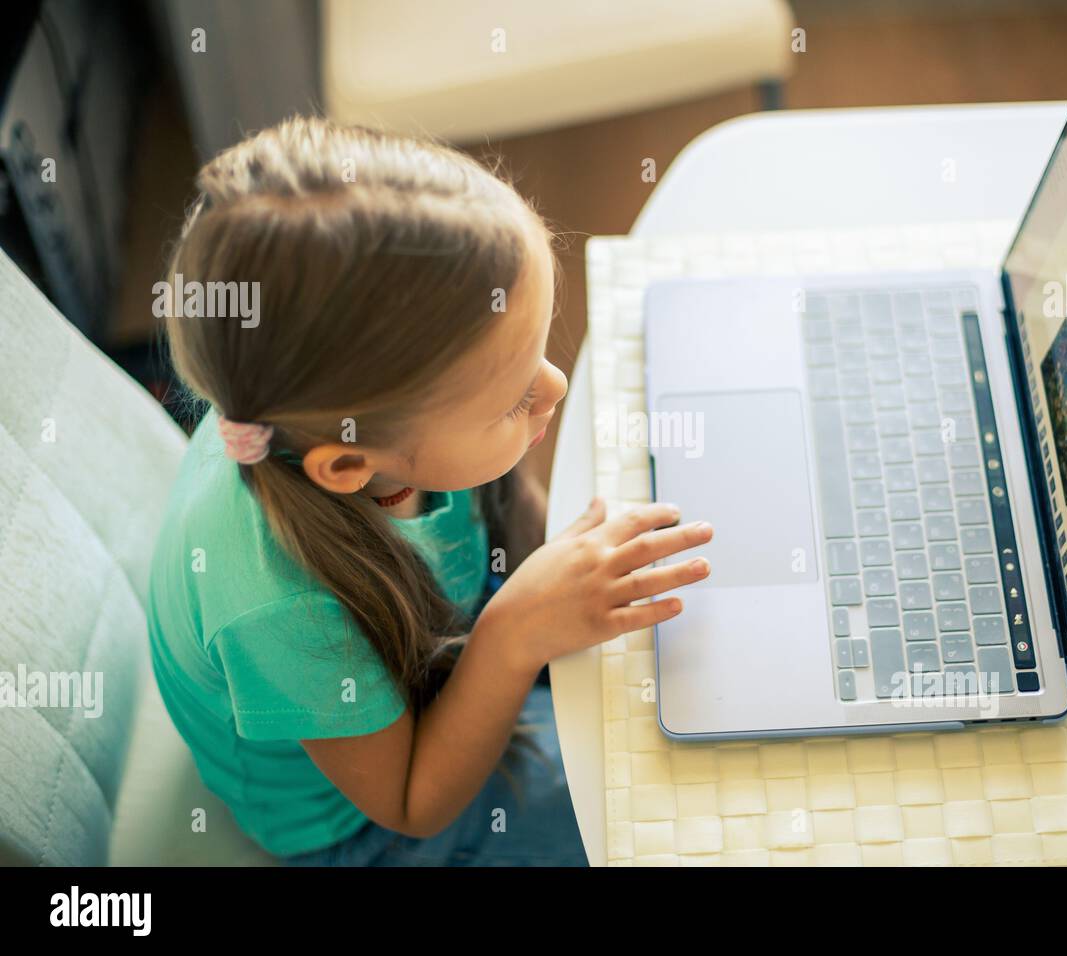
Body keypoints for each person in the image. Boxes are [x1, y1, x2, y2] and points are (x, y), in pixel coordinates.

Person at [146, 116, 713, 866]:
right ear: (348, 469)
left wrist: (546, 580)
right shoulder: (282, 607)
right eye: (513, 399)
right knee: (669, 806)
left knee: (674, 692)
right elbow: (413, 802)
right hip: (367, 820)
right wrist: (515, 633)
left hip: (447, 649)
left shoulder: (359, 421)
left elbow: (504, 516)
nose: (556, 386)